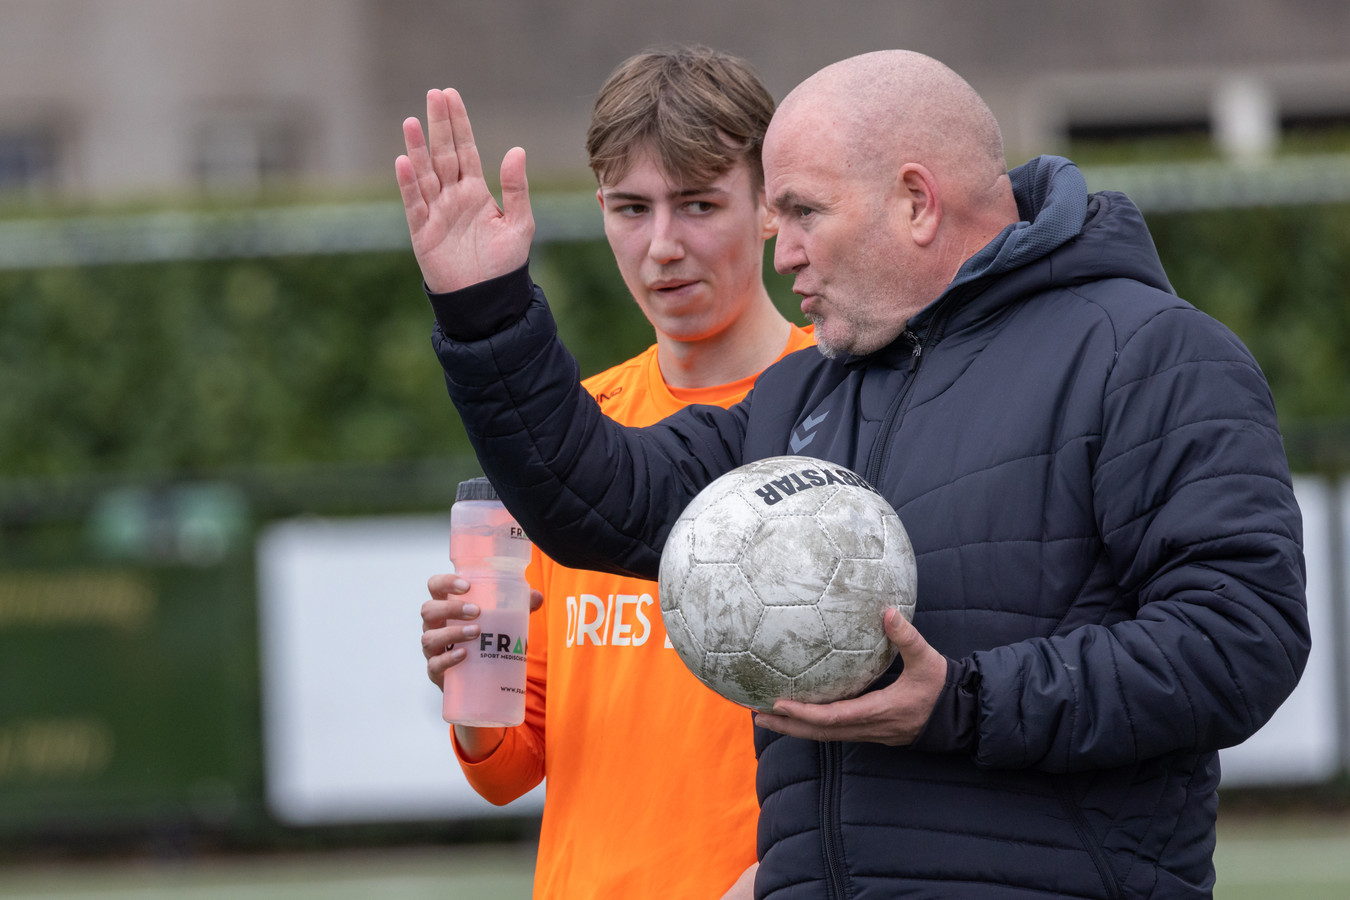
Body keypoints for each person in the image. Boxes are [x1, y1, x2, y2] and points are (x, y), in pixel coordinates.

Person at [397, 48, 1310, 900]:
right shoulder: (809, 391)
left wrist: (963, 702)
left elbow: (1243, 638)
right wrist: (487, 310)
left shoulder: (1150, 352)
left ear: (916, 201)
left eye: (801, 212)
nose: (781, 248)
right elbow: (598, 498)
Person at [406, 46, 813, 899]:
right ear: (599, 210)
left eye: (698, 204)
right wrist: (471, 683)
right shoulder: (573, 434)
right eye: (632, 208)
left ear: (770, 202)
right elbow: (509, 768)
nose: (662, 245)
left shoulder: (843, 409)